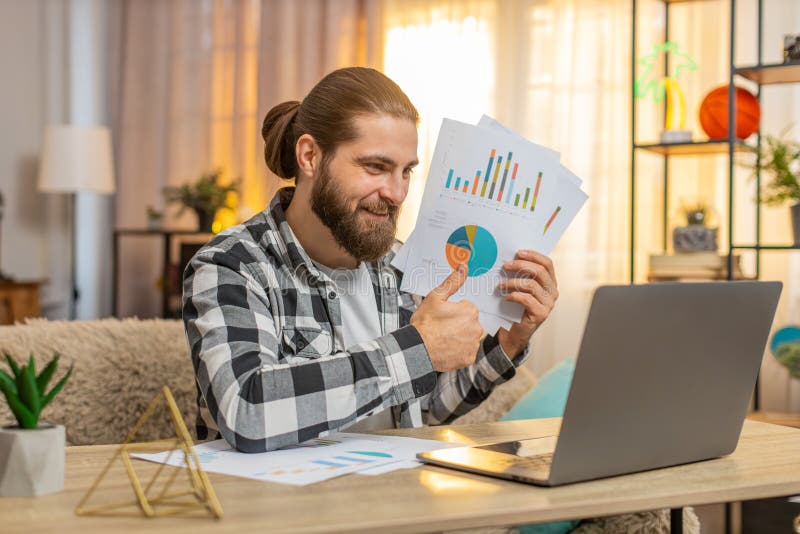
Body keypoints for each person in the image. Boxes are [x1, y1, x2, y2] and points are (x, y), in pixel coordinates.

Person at [182, 67, 558, 452]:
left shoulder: (398, 265)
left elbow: (423, 410)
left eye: (406, 171)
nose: (396, 193)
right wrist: (418, 349)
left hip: (390, 497)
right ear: (310, 156)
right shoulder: (232, 265)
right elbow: (247, 409)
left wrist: (511, 341)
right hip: (279, 506)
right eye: (375, 167)